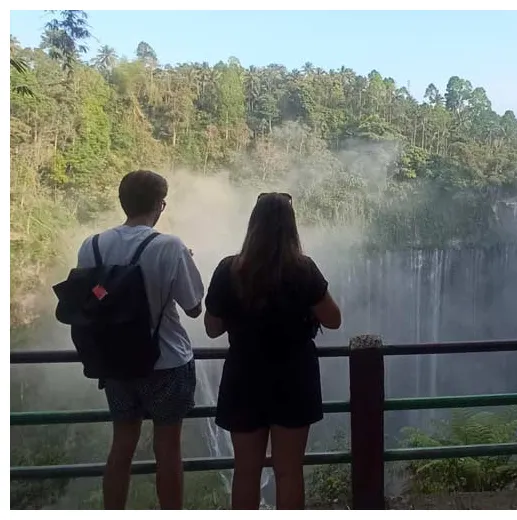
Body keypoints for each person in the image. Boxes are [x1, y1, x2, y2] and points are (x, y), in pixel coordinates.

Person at [75, 170, 204, 509]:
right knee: (168, 450)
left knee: (121, 447)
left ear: (123, 202)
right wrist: (185, 261)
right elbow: (194, 308)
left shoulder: (92, 246)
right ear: (159, 206)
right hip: (167, 362)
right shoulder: (169, 246)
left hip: (115, 361)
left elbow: (90, 299)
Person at [204, 192, 342, 510]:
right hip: (294, 377)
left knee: (246, 472)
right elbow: (334, 320)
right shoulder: (303, 270)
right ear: (291, 228)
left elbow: (212, 327)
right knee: (289, 472)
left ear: (253, 225)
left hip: (244, 376)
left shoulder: (229, 270)